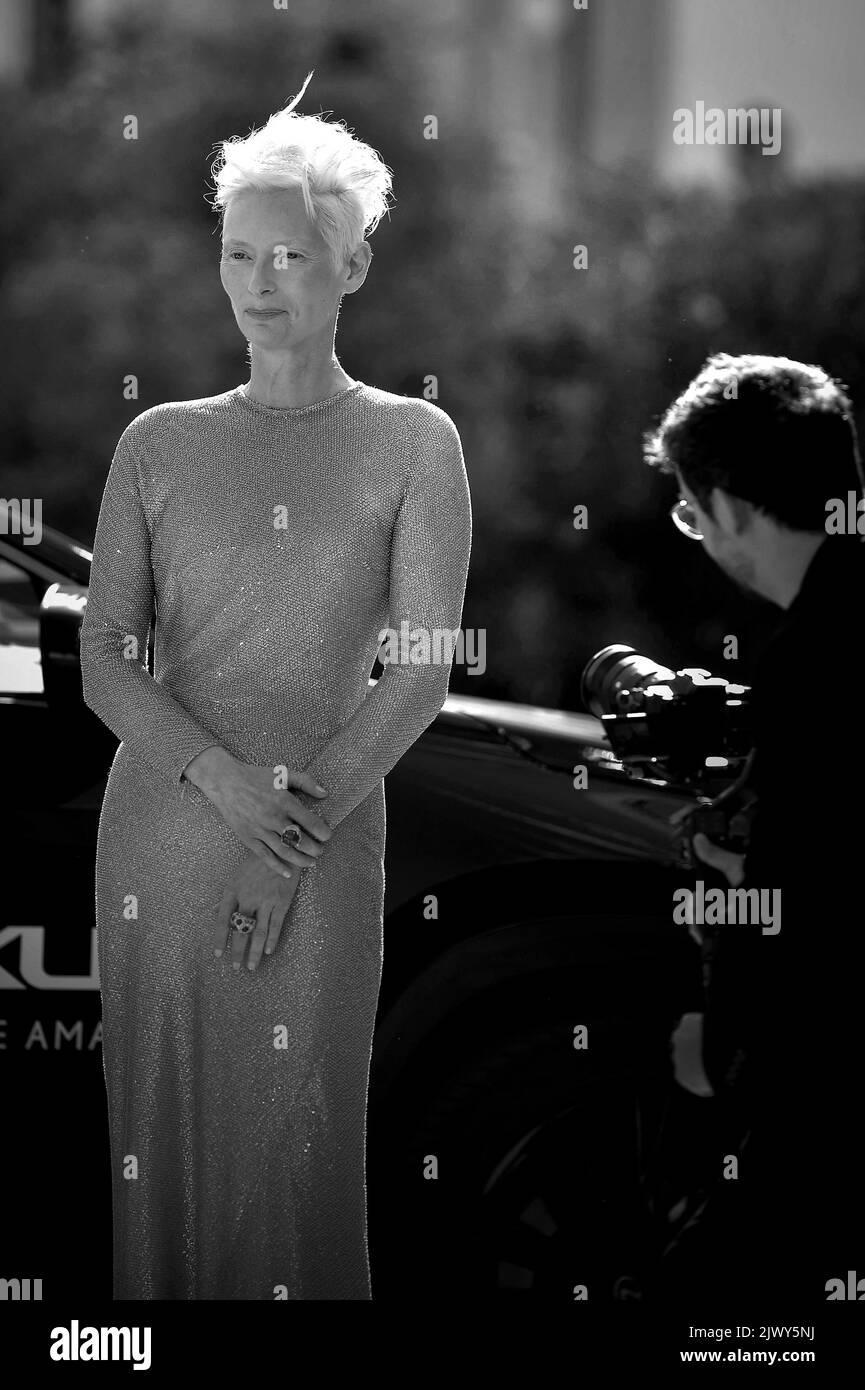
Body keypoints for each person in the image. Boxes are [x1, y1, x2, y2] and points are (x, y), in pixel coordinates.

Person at [79, 73, 472, 1300]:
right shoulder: (159, 443)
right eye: (237, 253)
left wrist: (288, 828)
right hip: (163, 841)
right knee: (161, 1157)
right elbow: (101, 655)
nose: (258, 281)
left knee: (300, 1151)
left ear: (349, 269)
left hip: (323, 840)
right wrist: (221, 786)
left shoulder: (415, 442)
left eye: (290, 256)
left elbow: (416, 678)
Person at [641, 352, 865, 1308]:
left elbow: (802, 912)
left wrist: (714, 1050)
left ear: (728, 505)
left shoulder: (816, 659)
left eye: (691, 511)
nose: (697, 535)